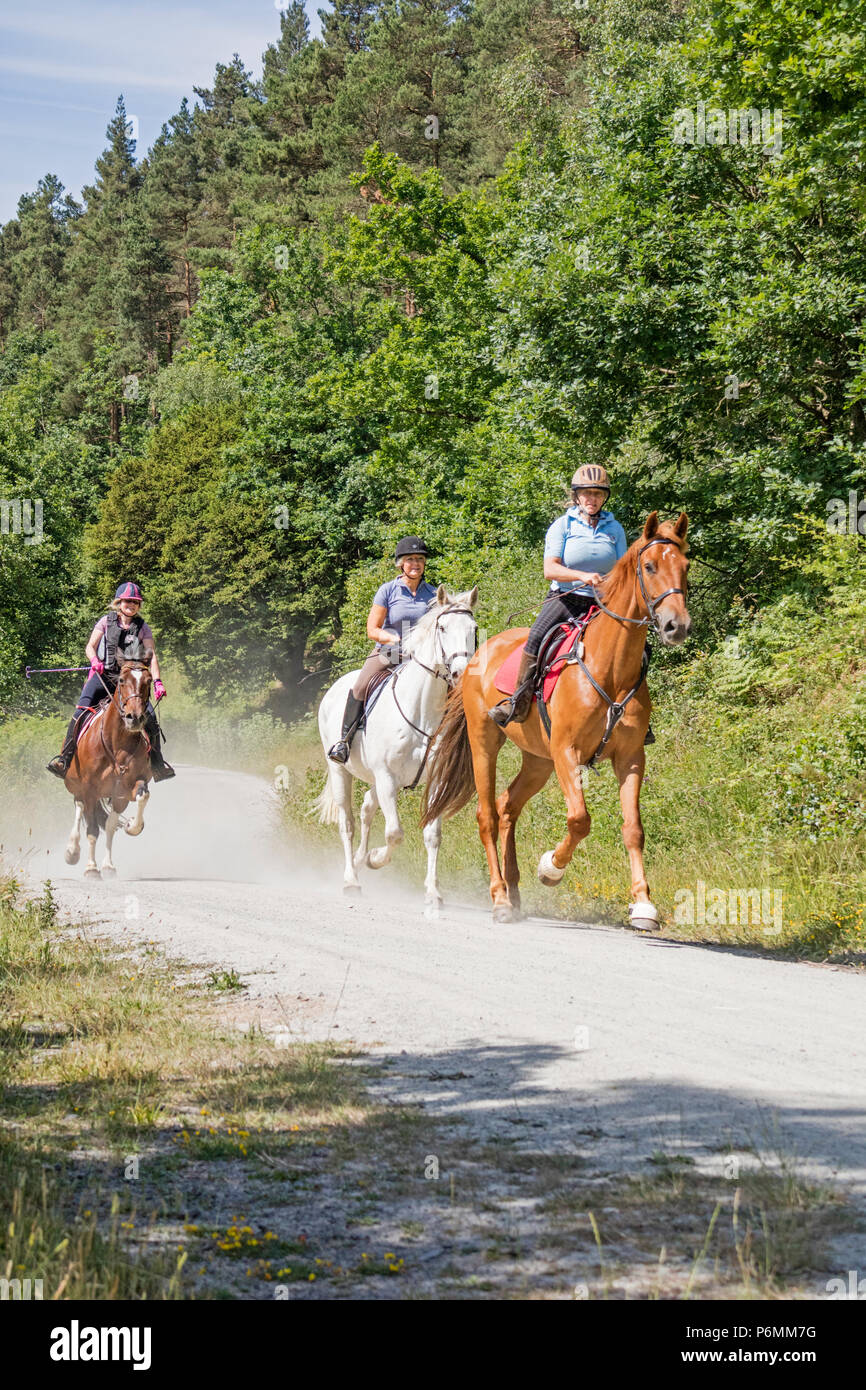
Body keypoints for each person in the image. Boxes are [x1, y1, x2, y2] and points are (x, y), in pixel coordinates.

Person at [489, 464, 628, 726]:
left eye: (598, 494)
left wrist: (612, 582)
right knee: (536, 638)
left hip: (604, 603)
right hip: (567, 599)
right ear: (576, 496)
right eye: (586, 494)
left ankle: (635, 715)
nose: (592, 499)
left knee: (636, 645)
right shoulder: (563, 525)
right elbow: (550, 568)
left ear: (604, 497)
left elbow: (623, 568)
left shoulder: (615, 529)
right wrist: (582, 576)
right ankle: (517, 704)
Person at [46, 581, 175, 781]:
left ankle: (157, 764)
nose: (131, 605)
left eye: (135, 602)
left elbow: (152, 656)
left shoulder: (143, 627)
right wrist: (95, 660)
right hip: (103, 677)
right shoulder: (106, 622)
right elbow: (90, 646)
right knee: (80, 712)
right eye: (127, 601)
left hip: (130, 681)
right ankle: (64, 759)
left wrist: (157, 681)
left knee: (151, 719)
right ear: (119, 602)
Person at [328, 537, 436, 763]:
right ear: (400, 564)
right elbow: (372, 629)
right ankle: (344, 742)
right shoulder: (388, 591)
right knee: (360, 686)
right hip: (389, 652)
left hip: (420, 658)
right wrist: (392, 638)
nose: (415, 563)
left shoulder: (433, 594)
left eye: (420, 559)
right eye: (410, 559)